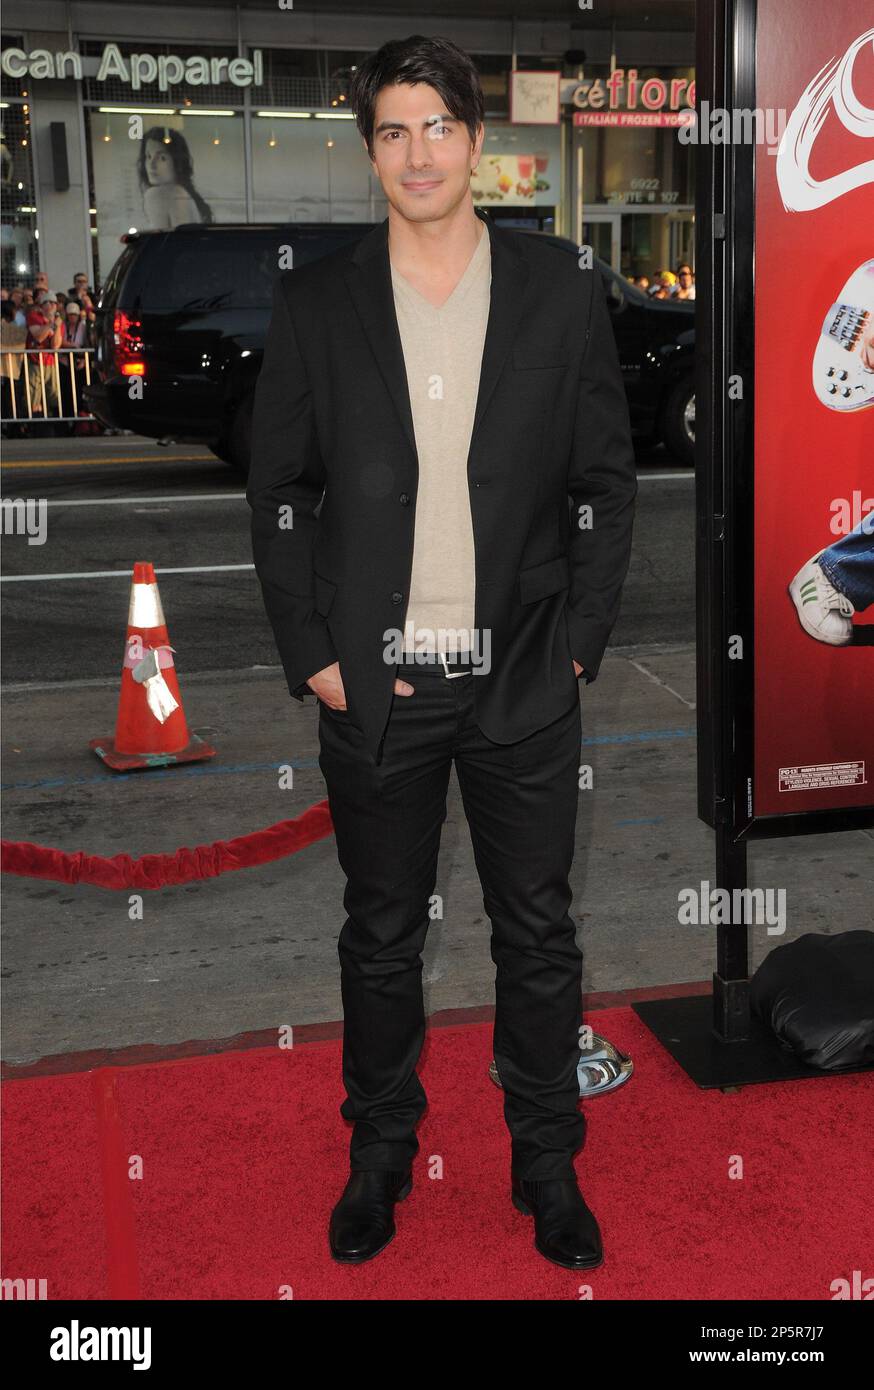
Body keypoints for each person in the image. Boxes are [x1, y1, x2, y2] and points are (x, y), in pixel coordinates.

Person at [247, 33, 637, 1272]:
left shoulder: (557, 289)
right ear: (370, 153)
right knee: (379, 932)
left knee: (539, 934)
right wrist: (314, 652)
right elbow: (281, 492)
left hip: (523, 674)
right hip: (373, 684)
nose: (417, 153)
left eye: (437, 127)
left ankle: (546, 1162)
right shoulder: (318, 303)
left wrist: (575, 644)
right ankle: (378, 1157)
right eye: (391, 132)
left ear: (478, 141)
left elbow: (605, 481)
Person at [137, 127, 214, 229]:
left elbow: (159, 241)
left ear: (177, 163)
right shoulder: (183, 194)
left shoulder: (158, 195)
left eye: (162, 158)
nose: (152, 165)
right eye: (148, 156)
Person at [24, 289, 63, 423]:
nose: (51, 305)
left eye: (54, 302)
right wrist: (50, 324)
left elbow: (55, 346)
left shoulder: (58, 321)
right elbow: (39, 337)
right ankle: (36, 426)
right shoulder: (34, 316)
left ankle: (54, 425)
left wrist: (57, 327)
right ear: (41, 305)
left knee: (53, 395)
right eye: (47, 302)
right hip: (35, 362)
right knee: (34, 396)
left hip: (50, 362)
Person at [0, 299, 28, 435]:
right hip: (12, 371)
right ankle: (12, 429)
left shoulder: (15, 330)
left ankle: (11, 429)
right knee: (11, 403)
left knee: (8, 403)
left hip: (9, 371)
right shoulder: (17, 330)